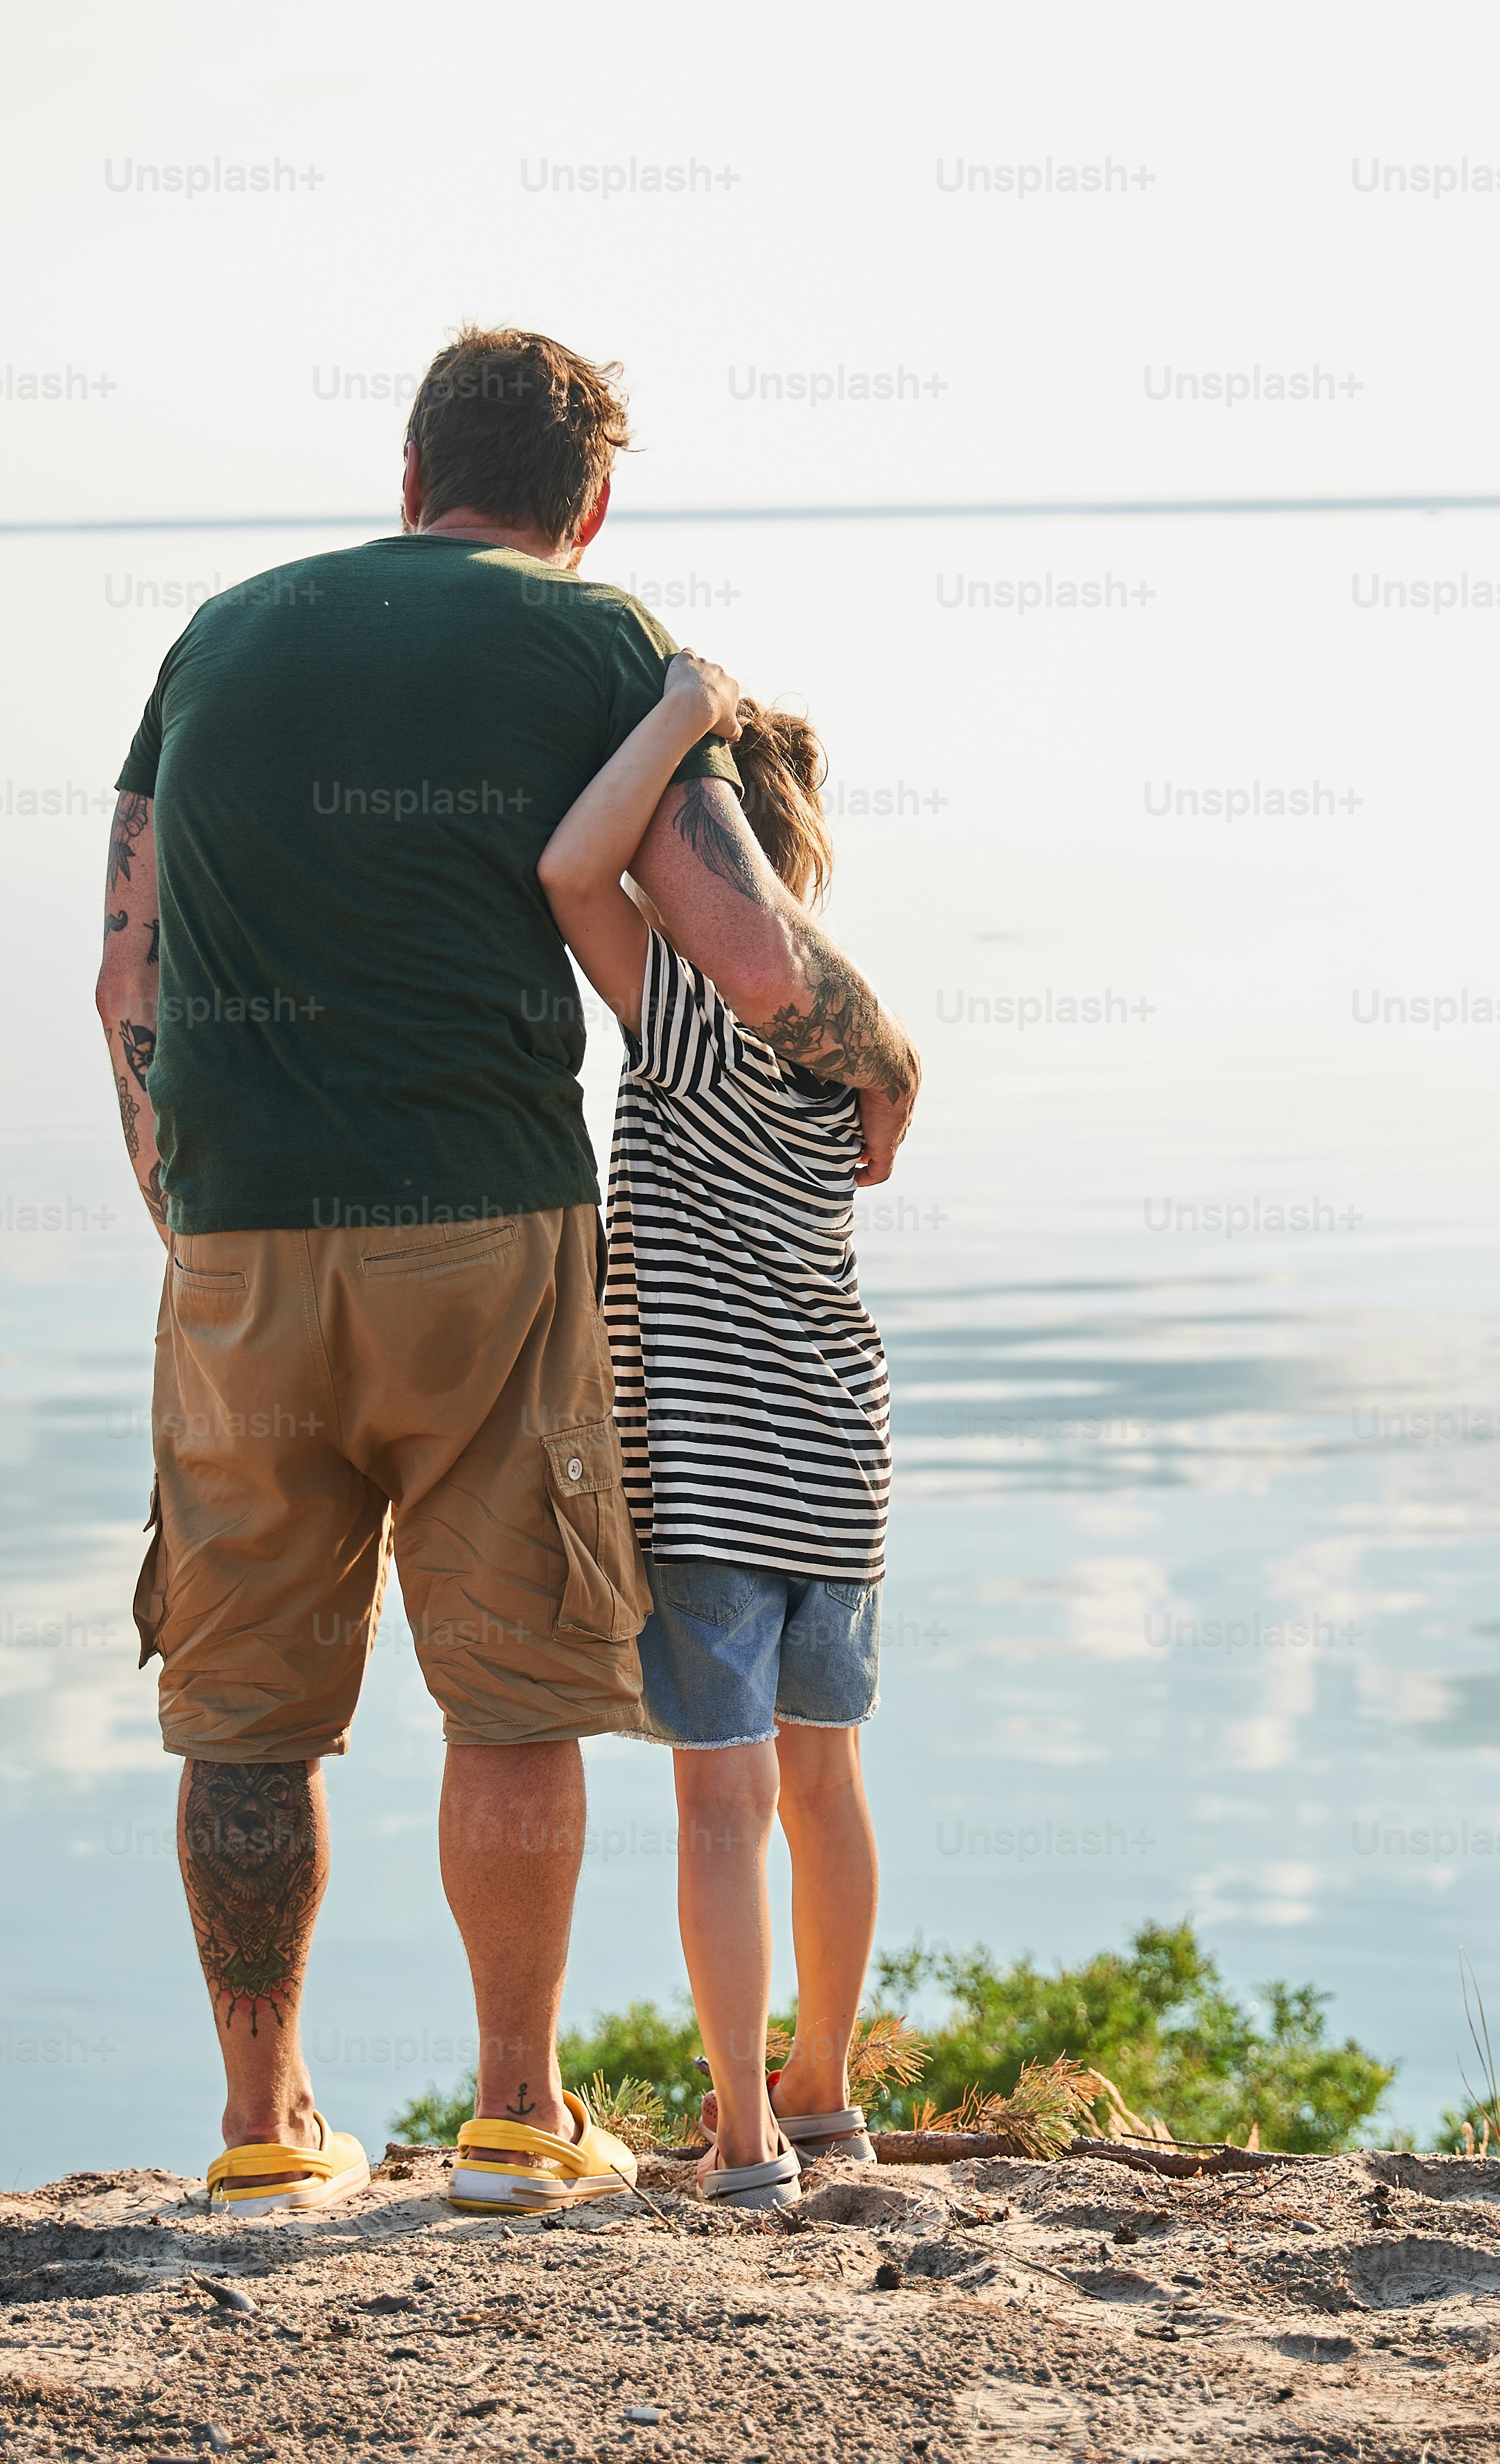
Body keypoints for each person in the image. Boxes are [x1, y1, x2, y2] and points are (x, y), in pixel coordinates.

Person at [91, 327, 920, 2218]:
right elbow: (758, 956)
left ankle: (262, 2126)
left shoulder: (213, 640)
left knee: (246, 1714)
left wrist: (187, 1216)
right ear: (591, 504)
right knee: (516, 1685)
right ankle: (515, 2112)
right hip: (488, 1227)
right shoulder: (591, 638)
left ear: (407, 474)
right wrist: (883, 1058)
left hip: (236, 1235)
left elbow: (127, 979)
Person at [538, 654, 900, 2210]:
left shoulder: (686, 1015)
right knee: (827, 1787)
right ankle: (824, 2086)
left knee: (718, 1802)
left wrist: (678, 710)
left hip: (705, 1467)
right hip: (838, 1454)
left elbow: (570, 862)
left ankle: (743, 2138)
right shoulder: (850, 1060)